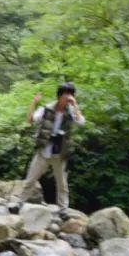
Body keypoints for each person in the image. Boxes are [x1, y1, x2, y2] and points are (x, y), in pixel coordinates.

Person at [18, 82, 85, 210]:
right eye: (66, 95)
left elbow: (81, 122)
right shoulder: (46, 108)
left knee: (62, 184)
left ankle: (63, 209)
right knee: (30, 179)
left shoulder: (71, 111)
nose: (68, 98)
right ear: (59, 96)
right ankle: (19, 203)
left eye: (71, 95)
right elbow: (30, 120)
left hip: (60, 152)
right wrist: (34, 103)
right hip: (44, 149)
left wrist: (75, 105)